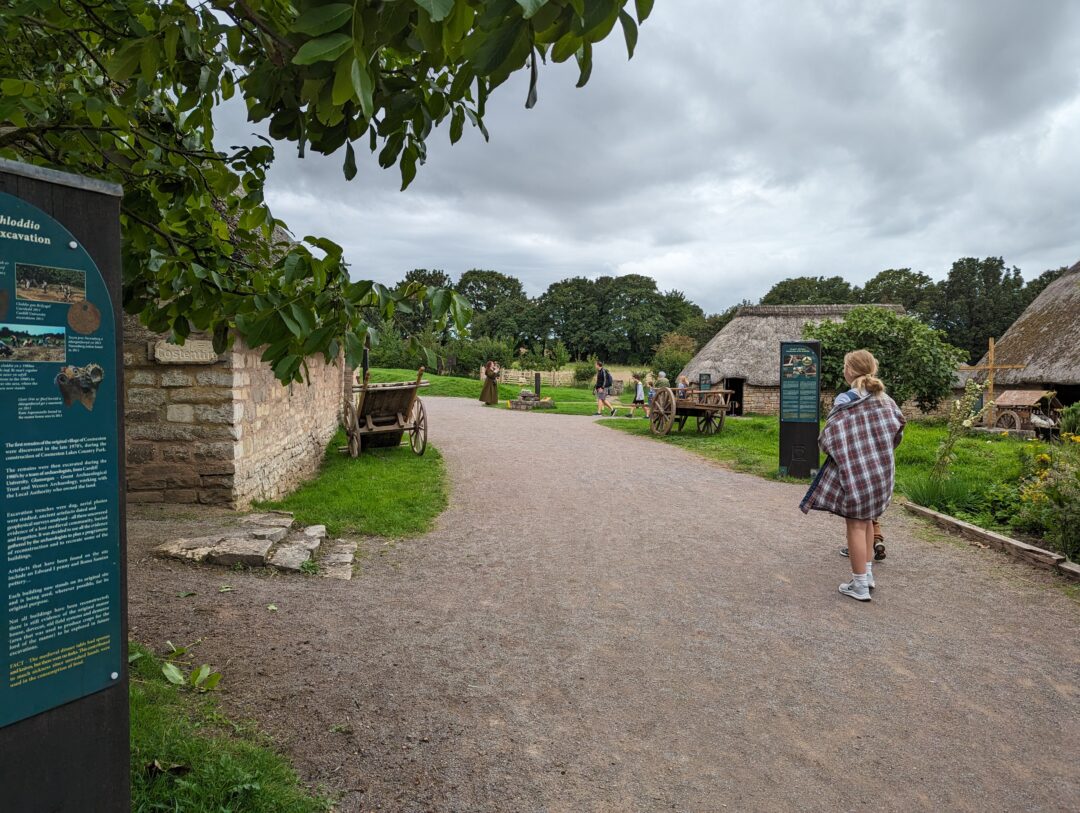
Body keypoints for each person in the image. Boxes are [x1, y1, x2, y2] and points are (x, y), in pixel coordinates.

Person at [800, 350, 905, 602]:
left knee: (855, 525)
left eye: (845, 366)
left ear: (849, 370)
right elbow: (898, 430)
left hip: (856, 472)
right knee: (868, 520)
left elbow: (829, 438)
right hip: (881, 471)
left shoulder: (845, 400)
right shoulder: (886, 400)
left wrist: (846, 452)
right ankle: (867, 575)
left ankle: (859, 585)